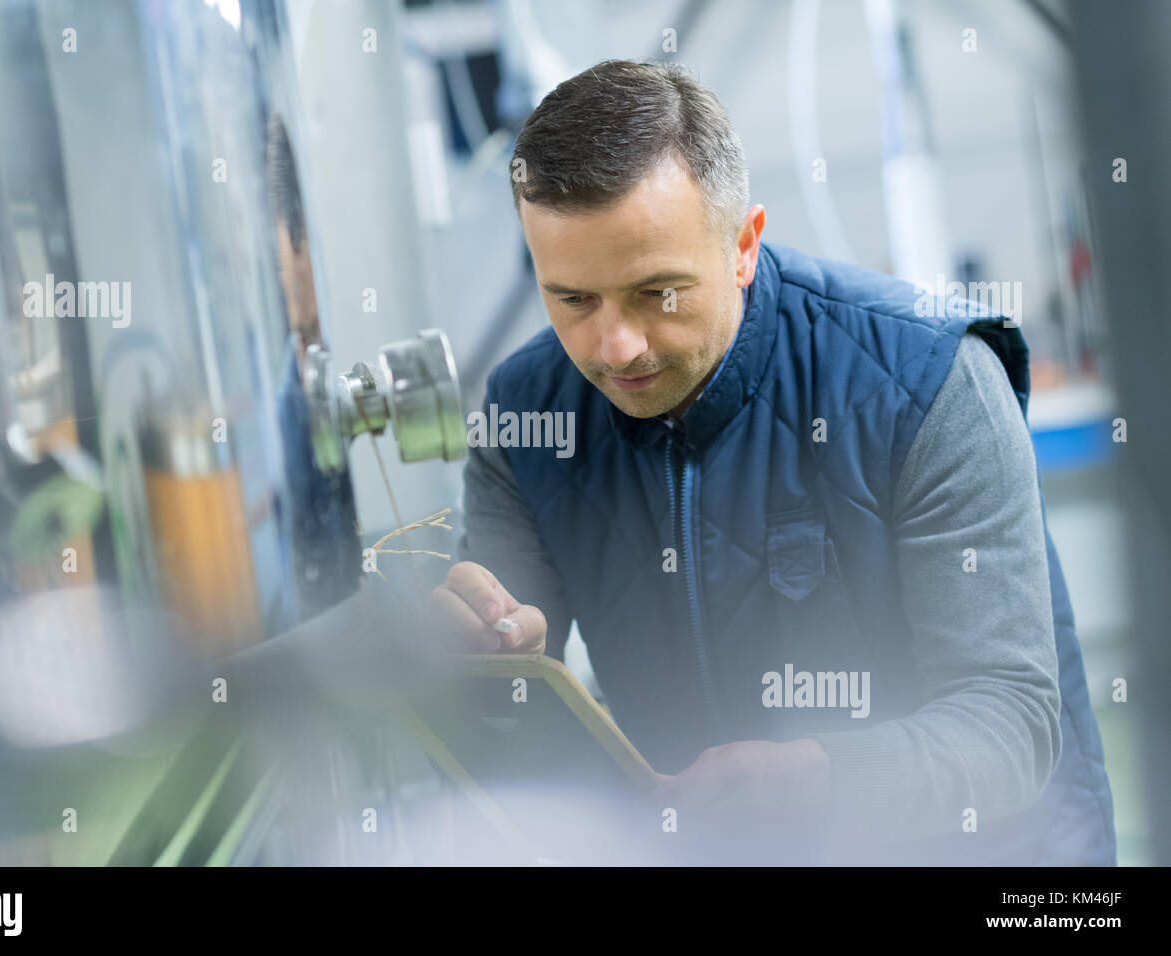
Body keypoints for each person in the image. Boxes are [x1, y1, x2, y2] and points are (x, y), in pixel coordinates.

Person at [428, 59, 1115, 865]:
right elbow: (510, 695)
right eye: (572, 299)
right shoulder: (527, 419)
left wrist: (827, 781)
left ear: (745, 244)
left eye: (659, 294)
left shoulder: (929, 382)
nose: (616, 348)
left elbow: (1010, 725)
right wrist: (474, 663)